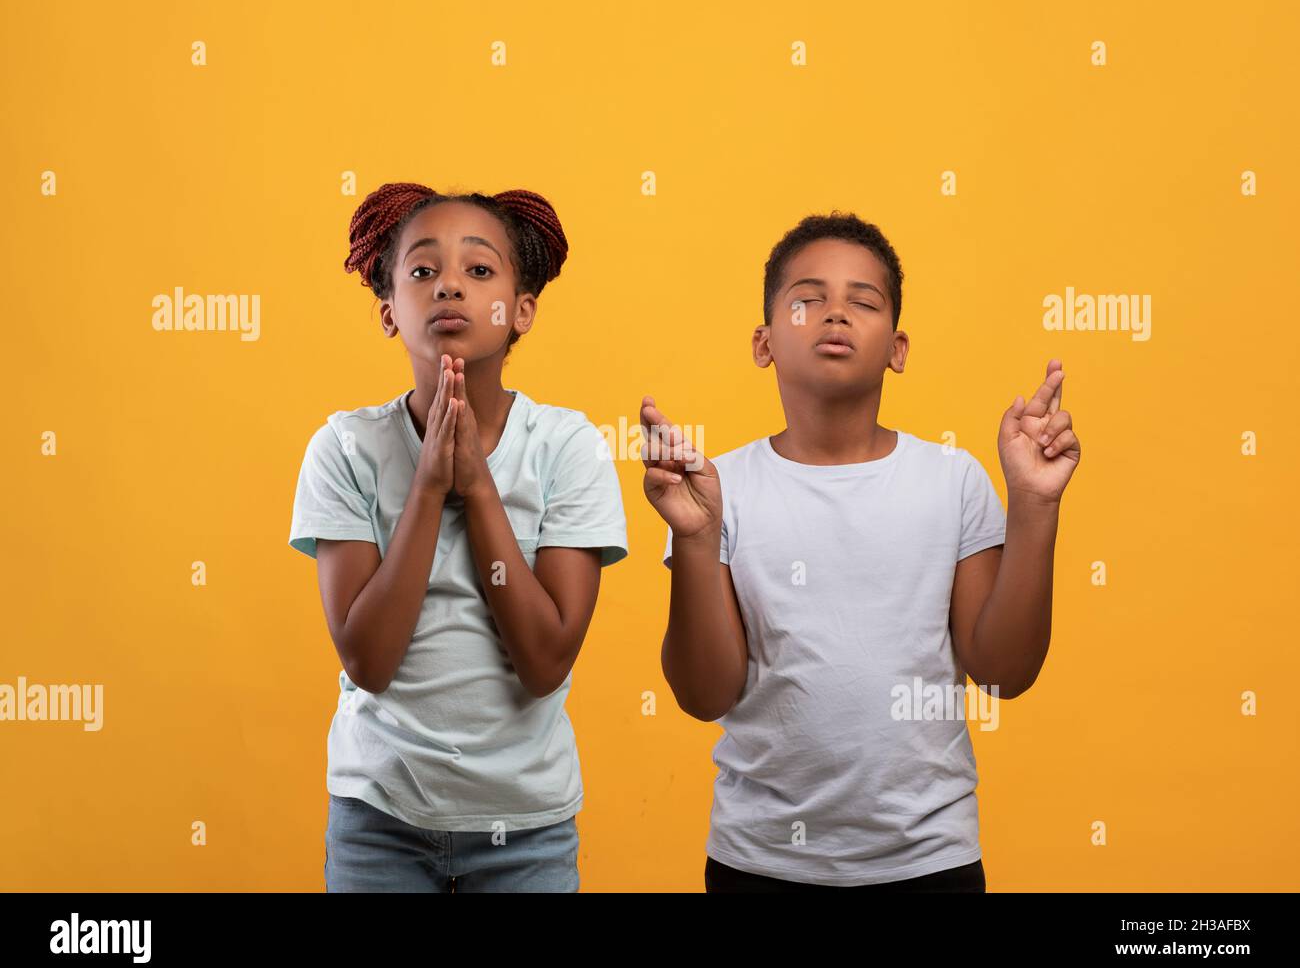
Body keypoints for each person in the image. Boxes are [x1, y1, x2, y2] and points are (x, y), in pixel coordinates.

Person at [640, 212, 1081, 891]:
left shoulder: (953, 480)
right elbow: (704, 694)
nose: (835, 313)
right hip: (759, 862)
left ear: (897, 348)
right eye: (807, 299)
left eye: (863, 301)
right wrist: (696, 540)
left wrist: (1035, 505)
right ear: (763, 342)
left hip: (930, 860)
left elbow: (1003, 673)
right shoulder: (720, 489)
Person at [289, 182, 628, 892]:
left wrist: (477, 488)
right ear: (389, 312)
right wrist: (427, 487)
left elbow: (543, 663)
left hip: (525, 828)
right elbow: (369, 661)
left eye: (478, 271)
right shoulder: (344, 448)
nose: (448, 286)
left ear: (521, 312)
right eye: (422, 272)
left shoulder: (568, 447)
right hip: (378, 819)